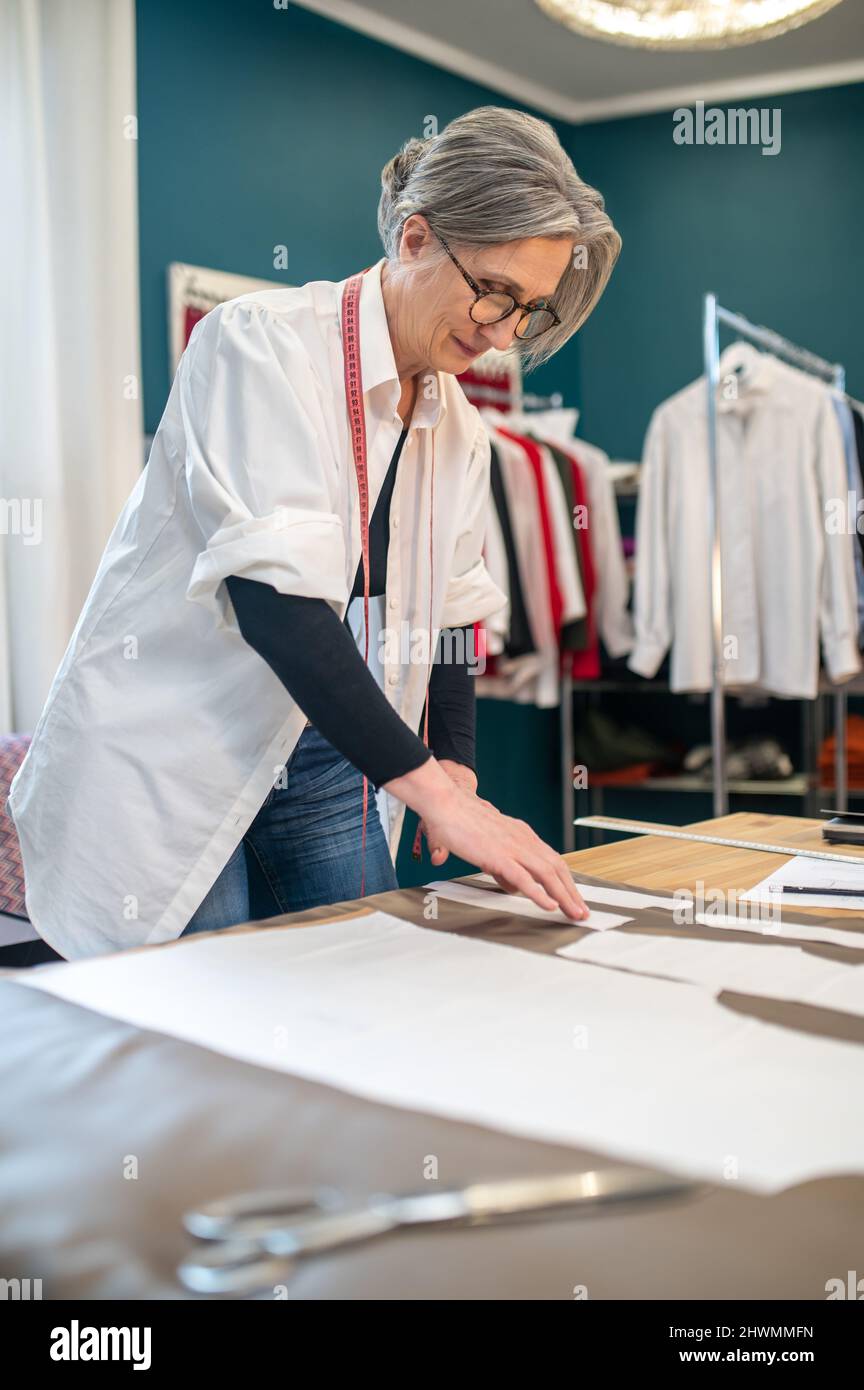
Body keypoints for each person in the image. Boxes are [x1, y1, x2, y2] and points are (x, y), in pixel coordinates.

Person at [8, 105, 621, 958]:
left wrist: (455, 766)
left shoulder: (460, 428)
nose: (500, 331)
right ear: (415, 239)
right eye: (494, 289)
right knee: (198, 1014)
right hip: (181, 743)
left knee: (352, 981)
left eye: (529, 311)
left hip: (327, 744)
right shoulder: (260, 347)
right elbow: (279, 611)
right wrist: (441, 804)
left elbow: (451, 617)